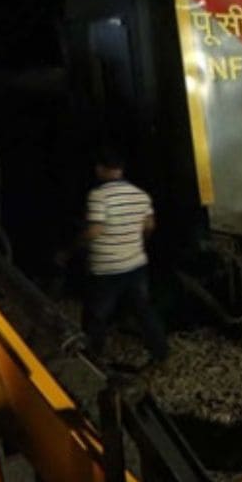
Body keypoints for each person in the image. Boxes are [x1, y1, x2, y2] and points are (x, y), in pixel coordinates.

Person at [81, 144, 167, 364]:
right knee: (143, 310)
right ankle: (160, 351)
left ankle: (92, 356)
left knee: (97, 315)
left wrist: (72, 247)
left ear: (100, 169)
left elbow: (94, 230)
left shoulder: (98, 196)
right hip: (136, 263)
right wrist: (136, 244)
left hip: (106, 267)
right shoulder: (141, 195)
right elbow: (149, 226)